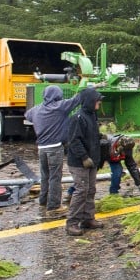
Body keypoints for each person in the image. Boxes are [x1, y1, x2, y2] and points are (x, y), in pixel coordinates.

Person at [24, 85, 81, 217]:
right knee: (55, 177)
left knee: (45, 176)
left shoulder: (37, 109)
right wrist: (89, 86)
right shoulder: (60, 107)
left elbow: (27, 115)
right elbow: (77, 99)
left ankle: (43, 201)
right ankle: (54, 206)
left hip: (41, 149)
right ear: (58, 95)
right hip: (55, 147)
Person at [65, 87, 105, 236]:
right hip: (79, 162)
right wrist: (84, 157)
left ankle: (88, 219)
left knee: (90, 190)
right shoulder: (78, 118)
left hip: (92, 160)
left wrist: (100, 137)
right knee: (81, 191)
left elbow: (89, 136)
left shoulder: (92, 116)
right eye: (97, 100)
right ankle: (72, 223)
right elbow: (74, 141)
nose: (99, 103)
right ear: (90, 101)